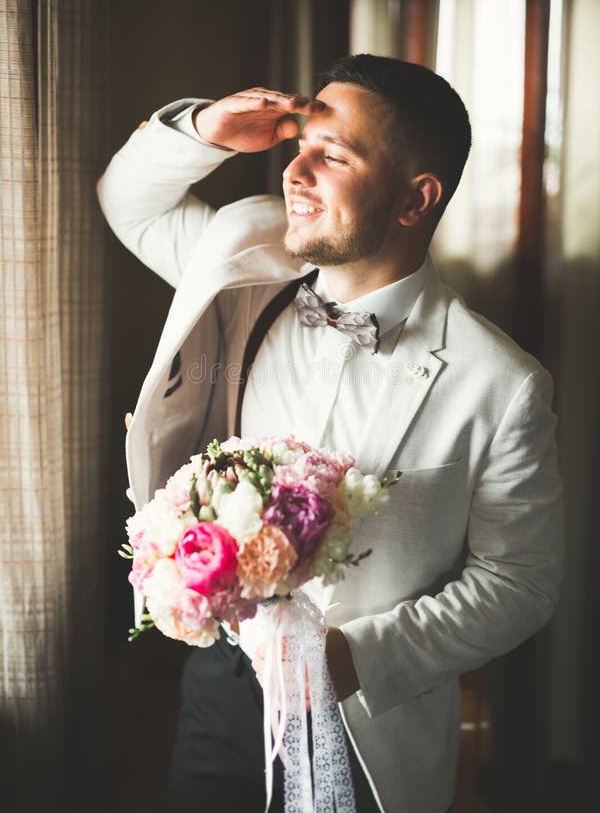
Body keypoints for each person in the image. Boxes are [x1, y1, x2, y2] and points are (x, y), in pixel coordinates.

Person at [98, 55, 563, 813]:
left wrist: (352, 659)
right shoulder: (242, 260)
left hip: (364, 716)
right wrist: (207, 131)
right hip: (221, 677)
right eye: (299, 147)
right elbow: (129, 204)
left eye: (333, 155)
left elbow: (521, 582)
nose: (295, 173)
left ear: (417, 199)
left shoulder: (501, 383)